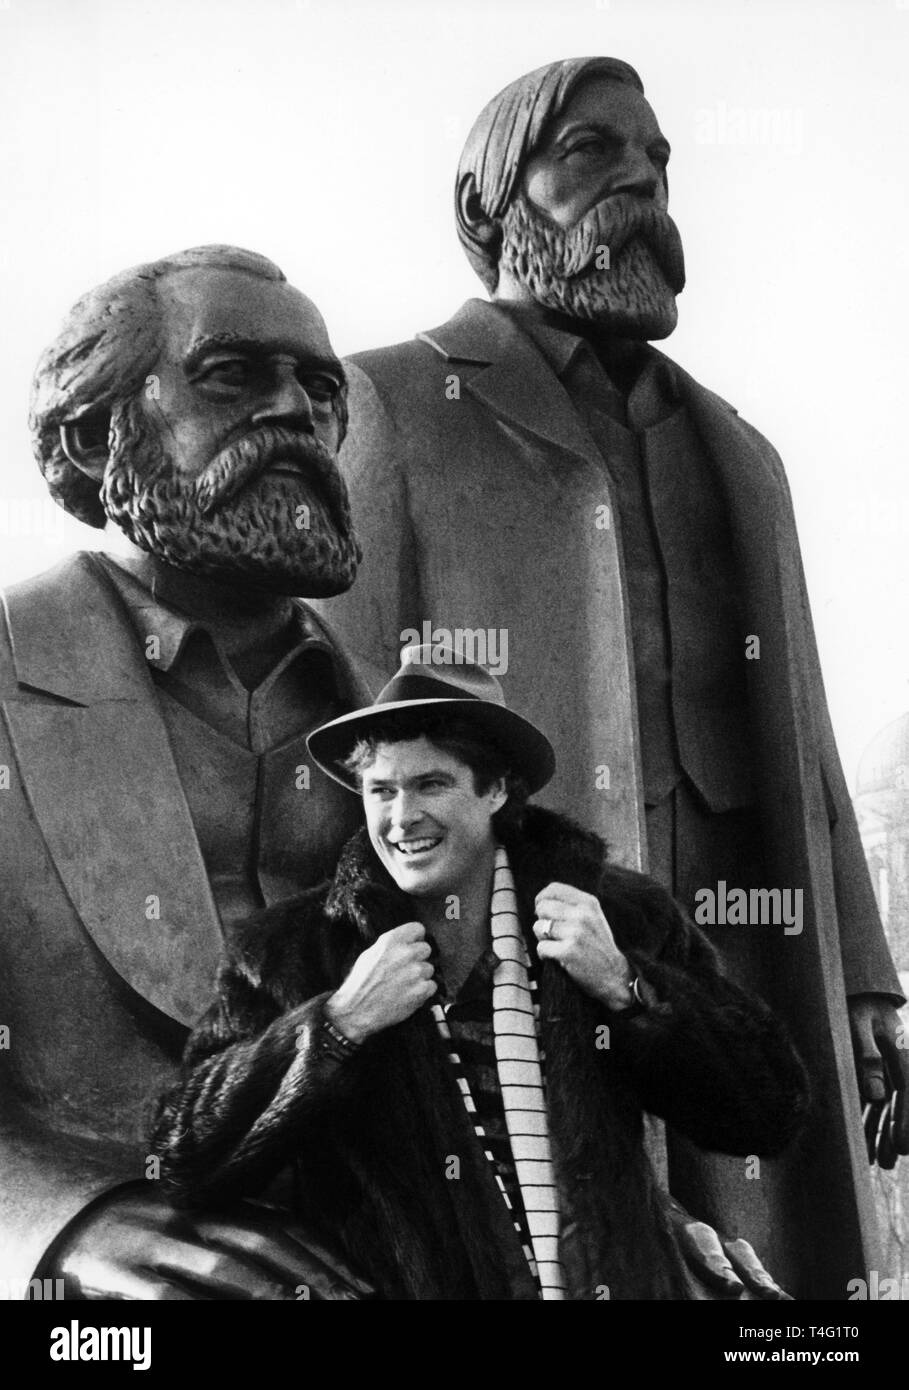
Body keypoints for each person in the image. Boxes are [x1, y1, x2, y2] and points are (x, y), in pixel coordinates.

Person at [313, 57, 907, 1295]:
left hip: (750, 932)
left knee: (777, 1278)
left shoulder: (743, 451)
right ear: (487, 203)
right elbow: (342, 701)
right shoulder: (392, 400)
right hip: (521, 919)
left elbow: (807, 734)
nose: (639, 175)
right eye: (590, 150)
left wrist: (860, 971)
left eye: (657, 157)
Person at [151, 644, 810, 1300]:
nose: (401, 818)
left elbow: (766, 1111)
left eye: (430, 784)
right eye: (381, 791)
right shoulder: (290, 950)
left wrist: (626, 986)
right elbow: (181, 1157)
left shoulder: (617, 915)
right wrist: (336, 1026)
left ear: (495, 789)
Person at [0, 245, 375, 1299]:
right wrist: (57, 1222)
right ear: (92, 438)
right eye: (232, 375)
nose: (294, 411)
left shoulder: (412, 721)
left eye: (320, 389)